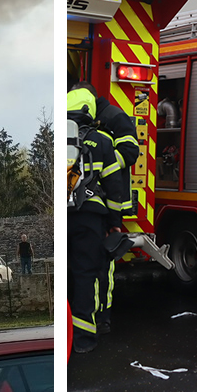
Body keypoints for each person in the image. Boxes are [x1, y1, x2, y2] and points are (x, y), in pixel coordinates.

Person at [71, 81, 140, 336]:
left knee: (102, 266)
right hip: (96, 205)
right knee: (87, 268)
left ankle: (104, 315)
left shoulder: (113, 116)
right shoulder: (82, 126)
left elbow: (131, 151)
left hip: (108, 198)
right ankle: (90, 321)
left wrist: (102, 162)